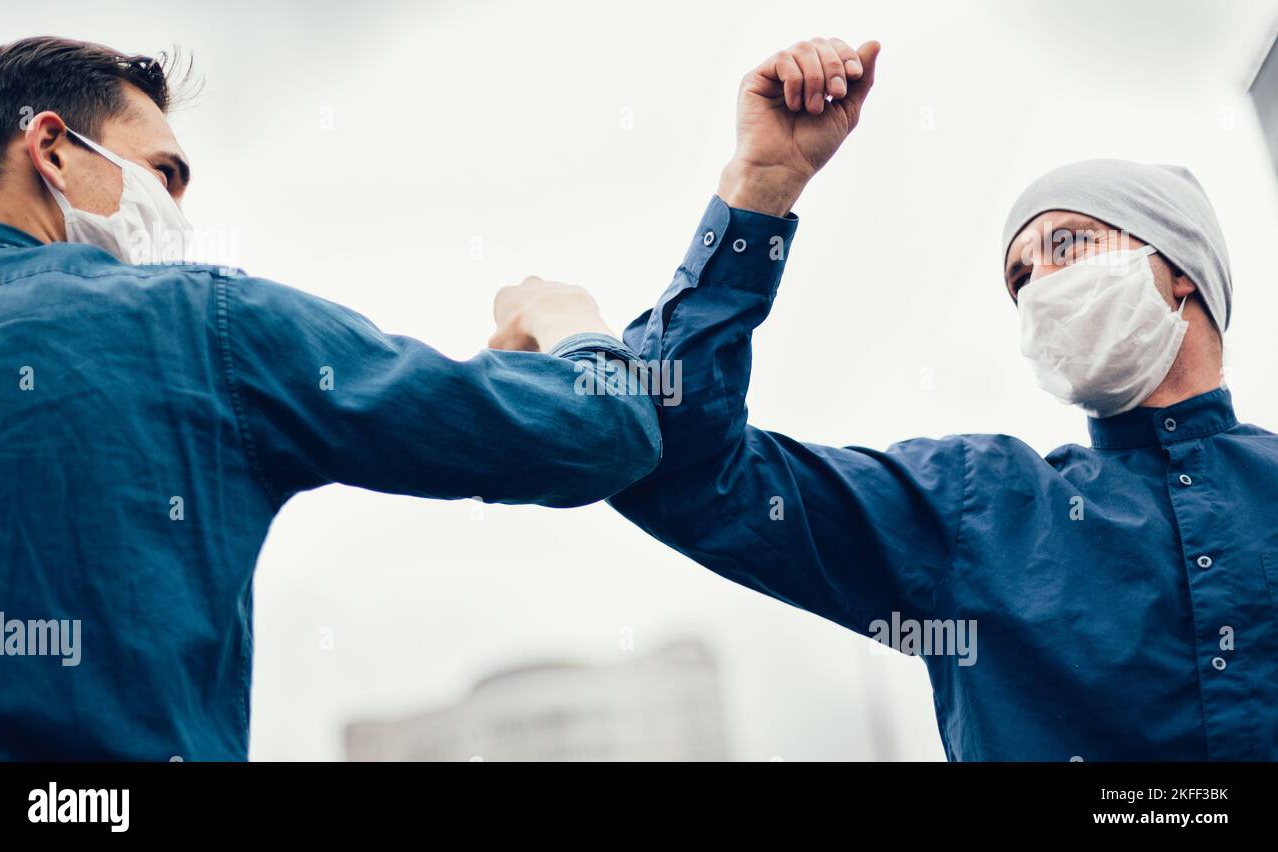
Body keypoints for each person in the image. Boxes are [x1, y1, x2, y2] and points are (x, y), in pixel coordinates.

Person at [507, 34, 1278, 760]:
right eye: (1019, 278)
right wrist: (759, 192)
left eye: (1068, 245)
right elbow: (681, 468)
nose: (1041, 286)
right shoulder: (982, 509)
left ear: (1180, 268)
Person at [0, 37, 660, 760]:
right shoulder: (199, 325)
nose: (175, 210)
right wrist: (568, 320)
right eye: (164, 174)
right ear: (51, 146)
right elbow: (600, 429)